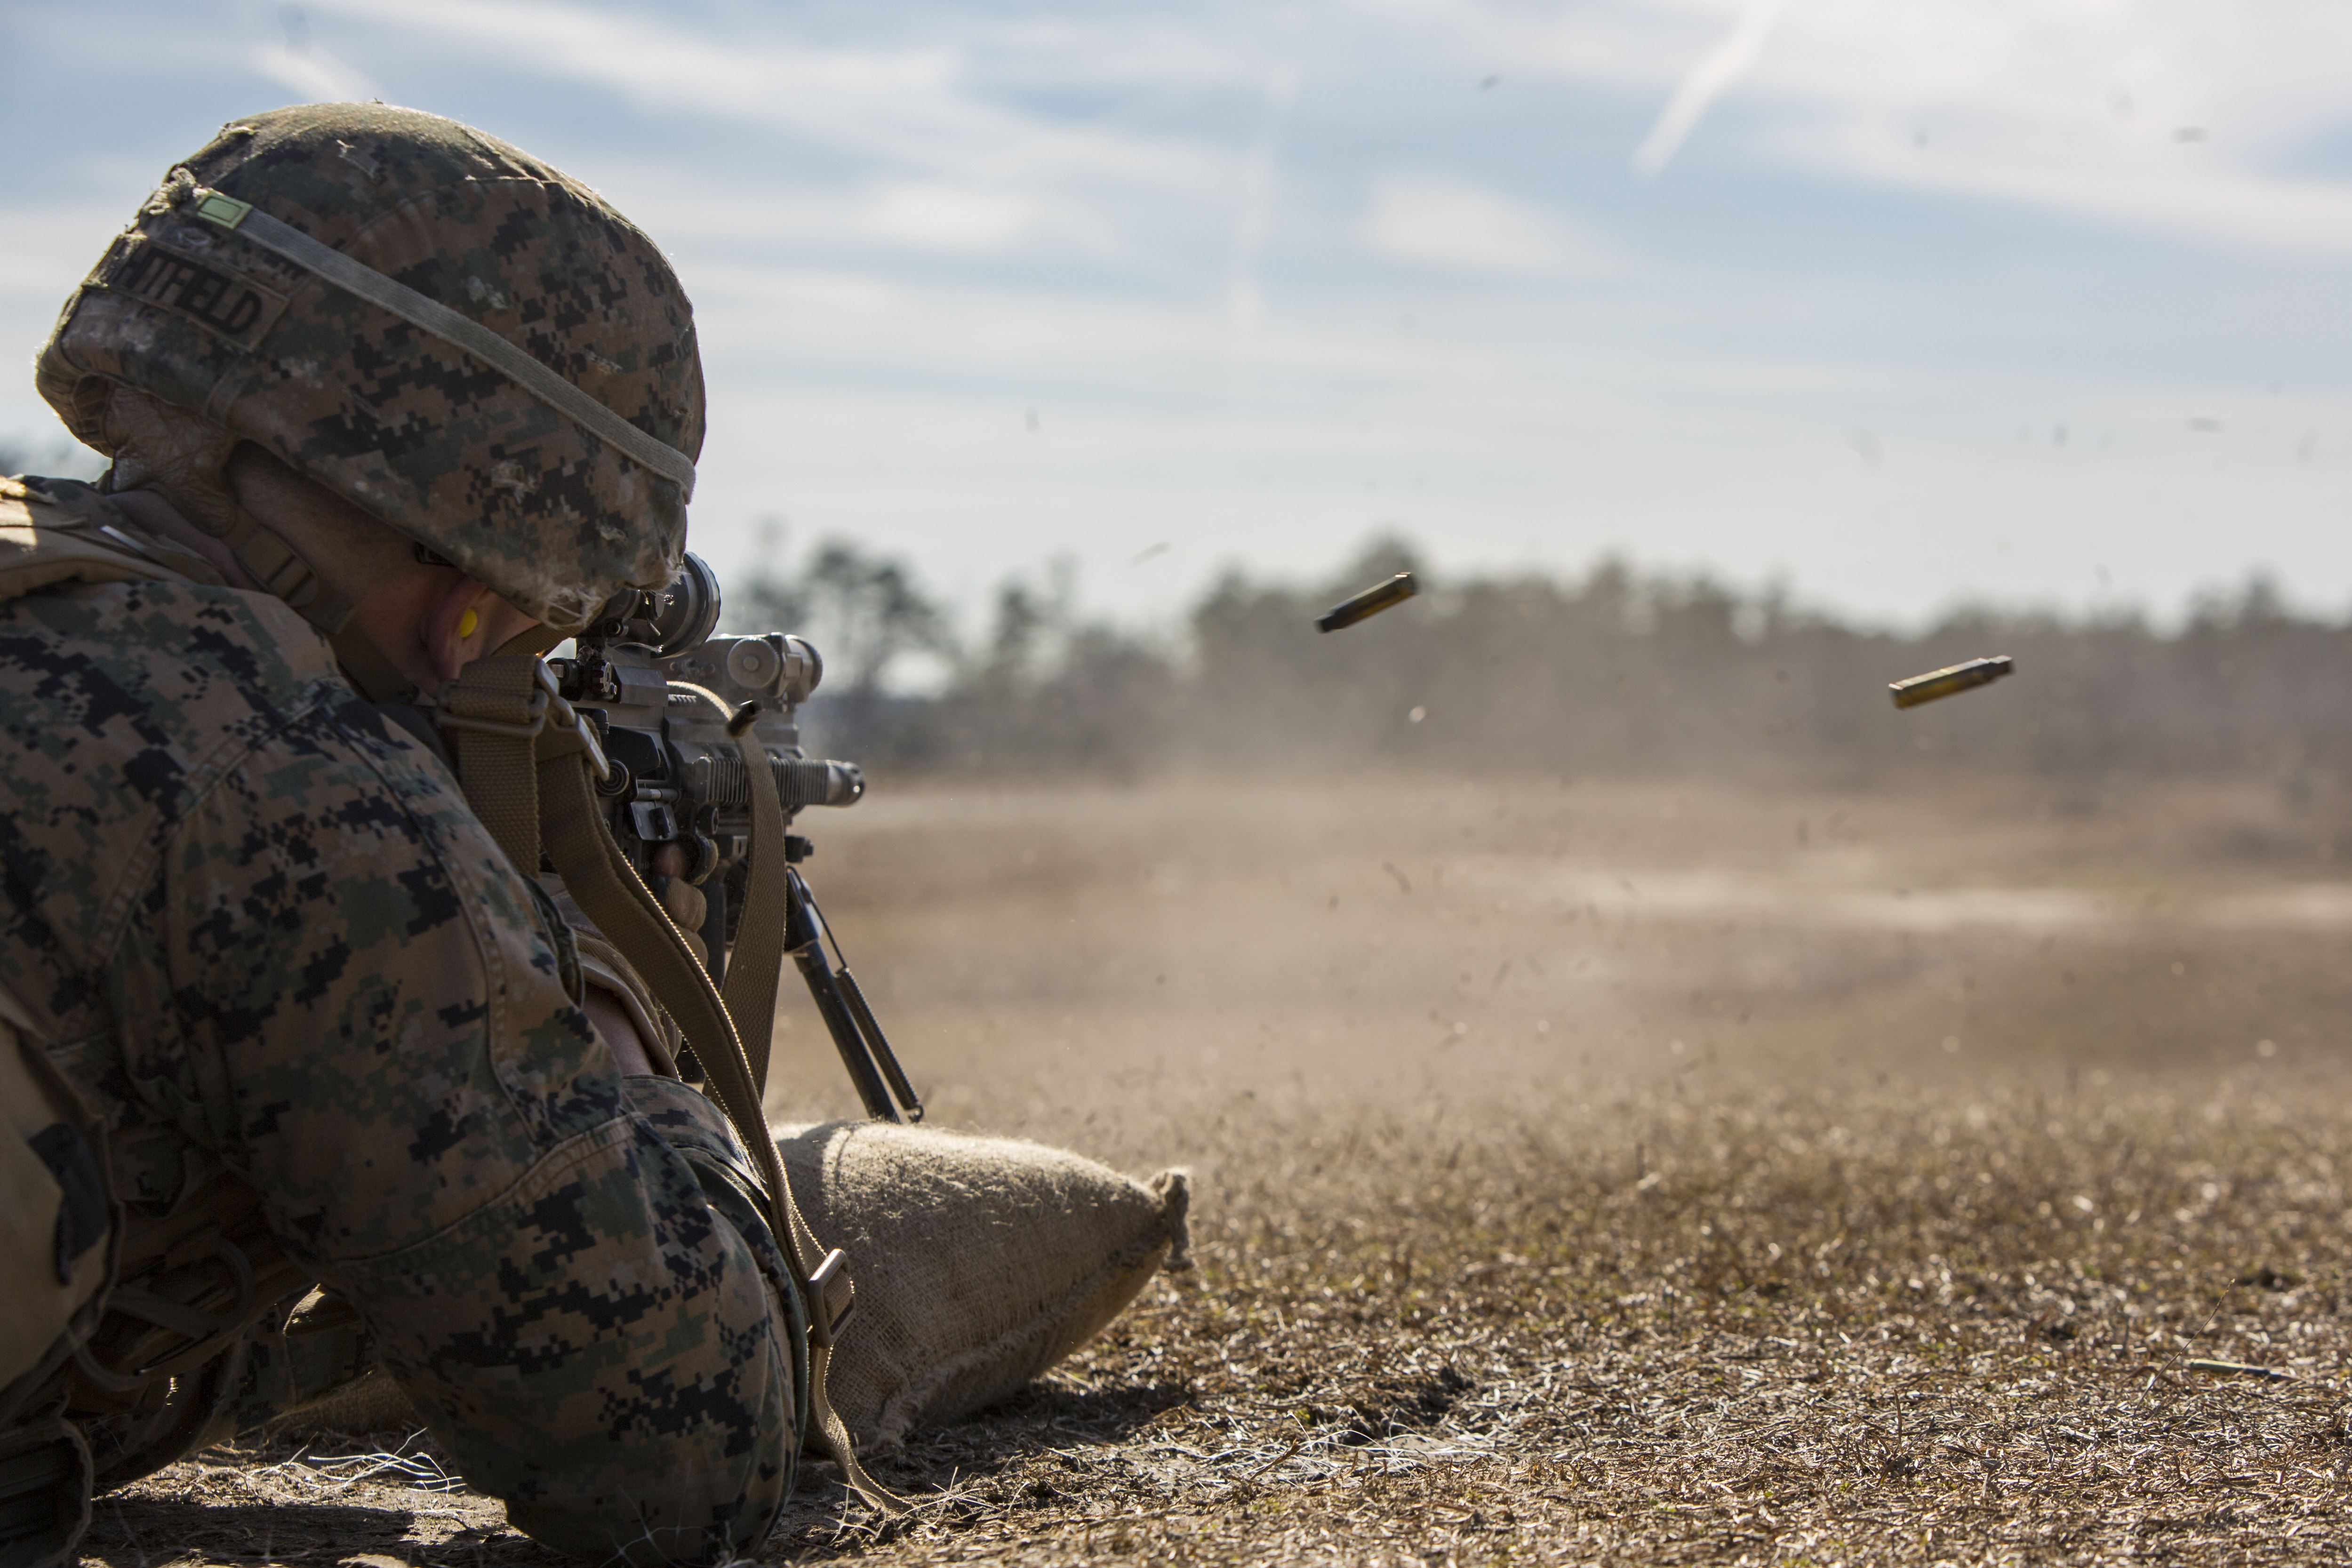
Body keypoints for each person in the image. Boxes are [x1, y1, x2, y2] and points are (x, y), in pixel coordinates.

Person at [0, 103, 806, 1567]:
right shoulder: (275, 773)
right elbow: (684, 1450)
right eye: (510, 626)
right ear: (465, 586)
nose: (471, 653)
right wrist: (609, 1019)